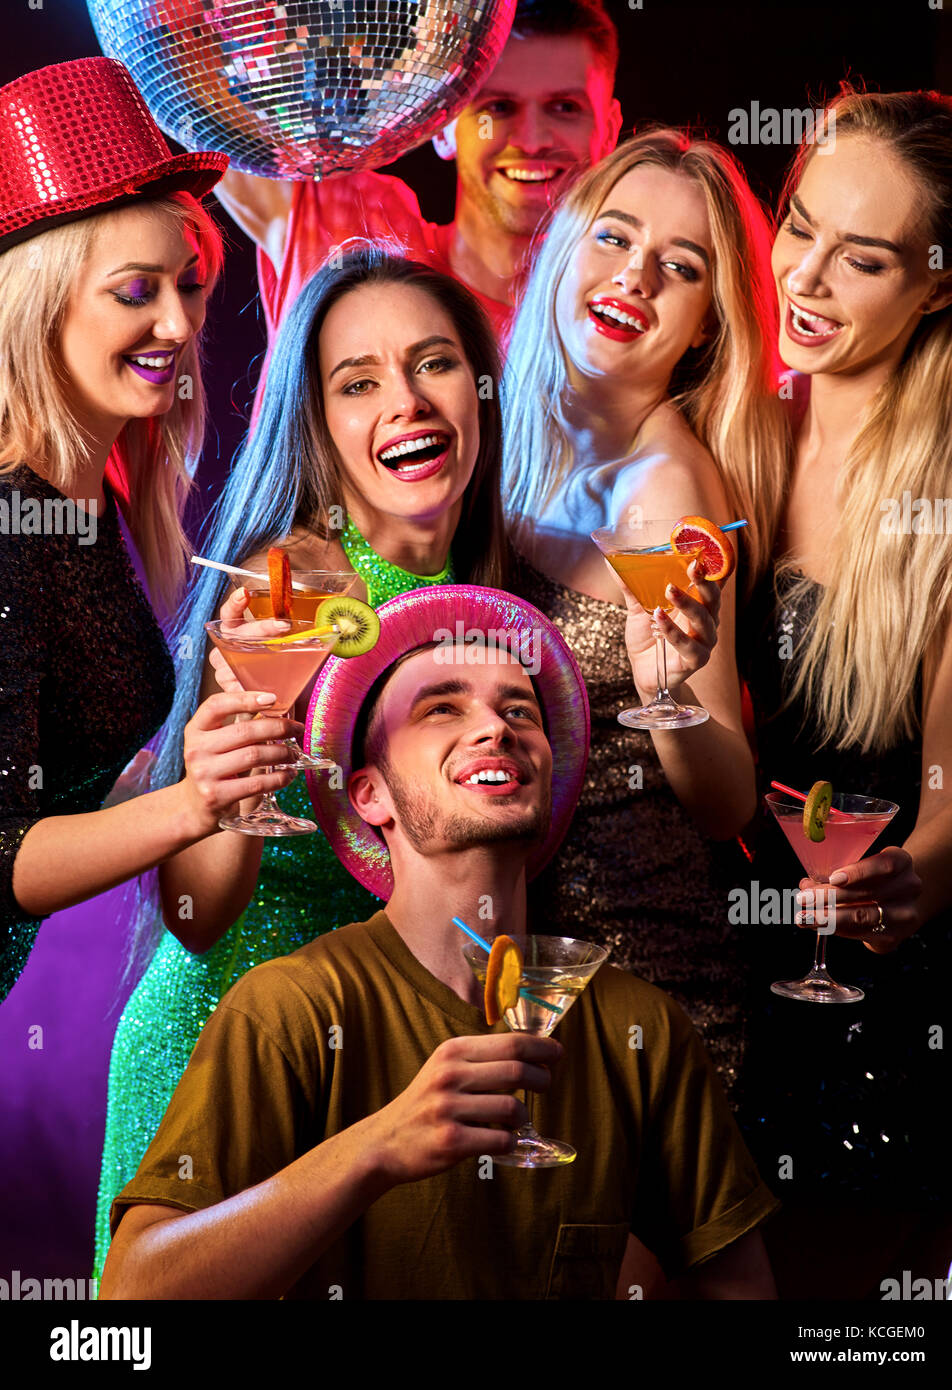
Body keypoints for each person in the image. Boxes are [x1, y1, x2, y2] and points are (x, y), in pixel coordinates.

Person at [99, 586, 779, 1300]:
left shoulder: (638, 1027)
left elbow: (739, 1289)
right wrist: (375, 1149)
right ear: (369, 796)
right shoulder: (288, 1011)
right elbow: (133, 1295)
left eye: (520, 710)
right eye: (442, 709)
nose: (496, 728)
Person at [92, 246, 509, 1280]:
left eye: (434, 364)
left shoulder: (500, 583)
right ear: (317, 423)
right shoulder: (297, 584)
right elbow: (192, 921)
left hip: (378, 1054)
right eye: (357, 383)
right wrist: (226, 791)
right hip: (221, 1045)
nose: (405, 401)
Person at [734, 87, 952, 1298]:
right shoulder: (732, 430)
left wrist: (911, 883)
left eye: (864, 257)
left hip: (886, 1007)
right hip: (723, 971)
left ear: (942, 281)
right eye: (799, 225)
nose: (810, 279)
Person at [0, 57, 307, 1005]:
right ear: (40, 301)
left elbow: (82, 799)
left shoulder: (104, 501)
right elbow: (10, 857)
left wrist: (224, 729)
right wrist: (195, 798)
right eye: (137, 291)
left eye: (191, 281)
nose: (179, 321)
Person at [502, 128, 789, 1094]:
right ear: (564, 247)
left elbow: (727, 803)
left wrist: (669, 688)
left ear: (708, 322)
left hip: (634, 988)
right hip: (512, 977)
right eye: (614, 239)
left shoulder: (665, 494)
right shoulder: (500, 434)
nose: (637, 276)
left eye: (682, 267)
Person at [216, 0, 623, 348]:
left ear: (609, 131)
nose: (532, 141)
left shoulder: (614, 328)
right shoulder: (356, 228)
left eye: (565, 108)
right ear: (441, 126)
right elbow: (197, 77)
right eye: (498, 107)